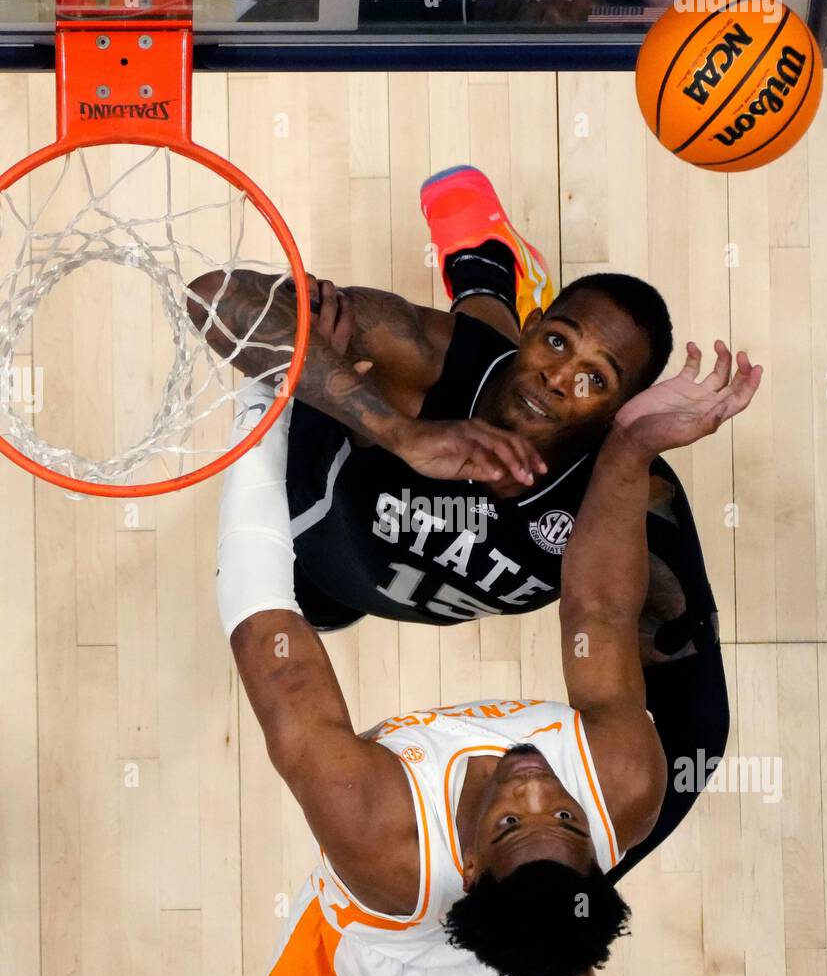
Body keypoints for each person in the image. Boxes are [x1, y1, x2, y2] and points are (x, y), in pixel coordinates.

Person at [227, 343, 761, 976]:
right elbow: (602, 609)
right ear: (595, 850)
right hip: (537, 926)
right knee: (548, 966)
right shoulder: (619, 786)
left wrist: (260, 410)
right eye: (564, 816)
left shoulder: (371, 822)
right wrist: (630, 443)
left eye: (512, 820)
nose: (534, 781)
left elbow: (266, 622)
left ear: (473, 861)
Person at [190, 167, 731, 874]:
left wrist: (579, 881)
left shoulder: (627, 498)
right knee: (476, 356)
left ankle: (490, 268)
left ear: (620, 409)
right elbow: (218, 298)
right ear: (540, 327)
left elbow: (696, 730)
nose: (562, 377)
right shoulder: (422, 358)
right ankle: (486, 271)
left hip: (383, 579)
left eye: (598, 379)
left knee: (498, 369)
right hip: (316, 549)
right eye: (560, 342)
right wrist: (395, 431)